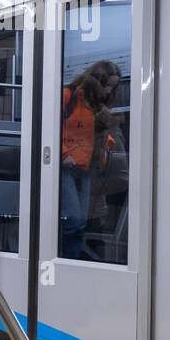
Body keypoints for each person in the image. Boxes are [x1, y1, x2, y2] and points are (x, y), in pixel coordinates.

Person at [60, 60, 120, 259]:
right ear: (96, 81)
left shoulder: (99, 105)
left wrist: (108, 145)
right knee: (74, 218)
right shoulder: (68, 96)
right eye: (107, 84)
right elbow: (48, 128)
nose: (109, 90)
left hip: (87, 166)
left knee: (82, 221)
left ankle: (71, 260)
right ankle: (64, 257)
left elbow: (97, 135)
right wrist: (62, 153)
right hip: (66, 165)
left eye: (113, 86)